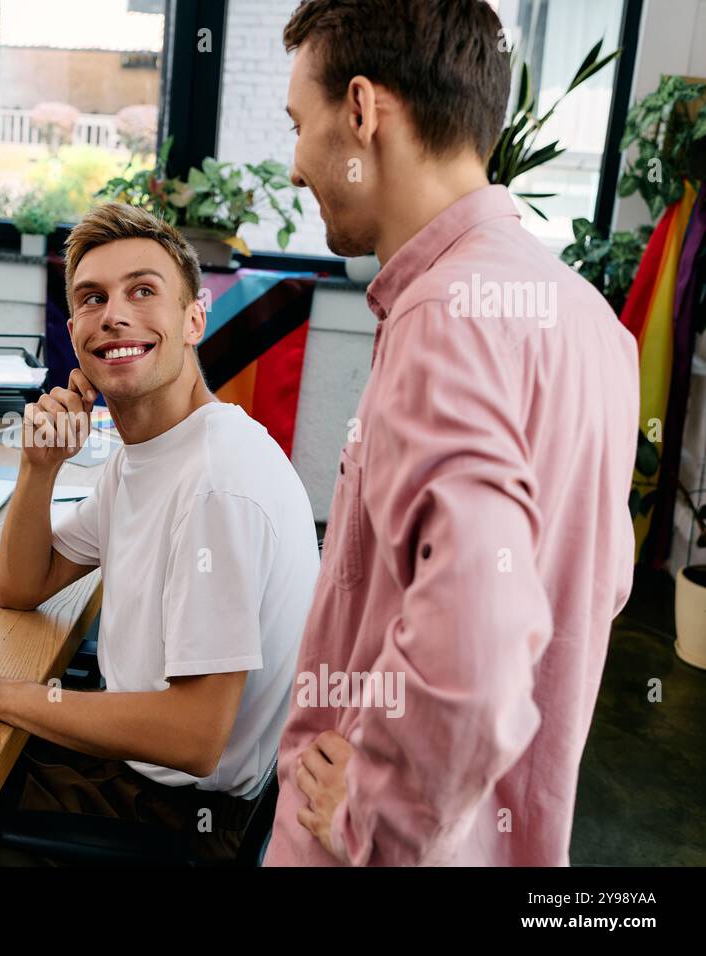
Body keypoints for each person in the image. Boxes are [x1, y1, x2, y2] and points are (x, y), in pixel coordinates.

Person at [268, 0, 640, 866]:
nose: (294, 166)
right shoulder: (588, 318)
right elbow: (594, 581)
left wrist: (372, 823)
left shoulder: (443, 315)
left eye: (300, 124)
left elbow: (481, 630)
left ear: (361, 110)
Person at [0, 202, 319, 862]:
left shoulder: (217, 484)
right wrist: (38, 466)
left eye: (143, 291)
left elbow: (193, 736)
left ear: (194, 319)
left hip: (171, 816)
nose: (116, 314)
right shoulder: (148, 451)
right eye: (93, 299)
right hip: (132, 771)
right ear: (74, 331)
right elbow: (22, 585)